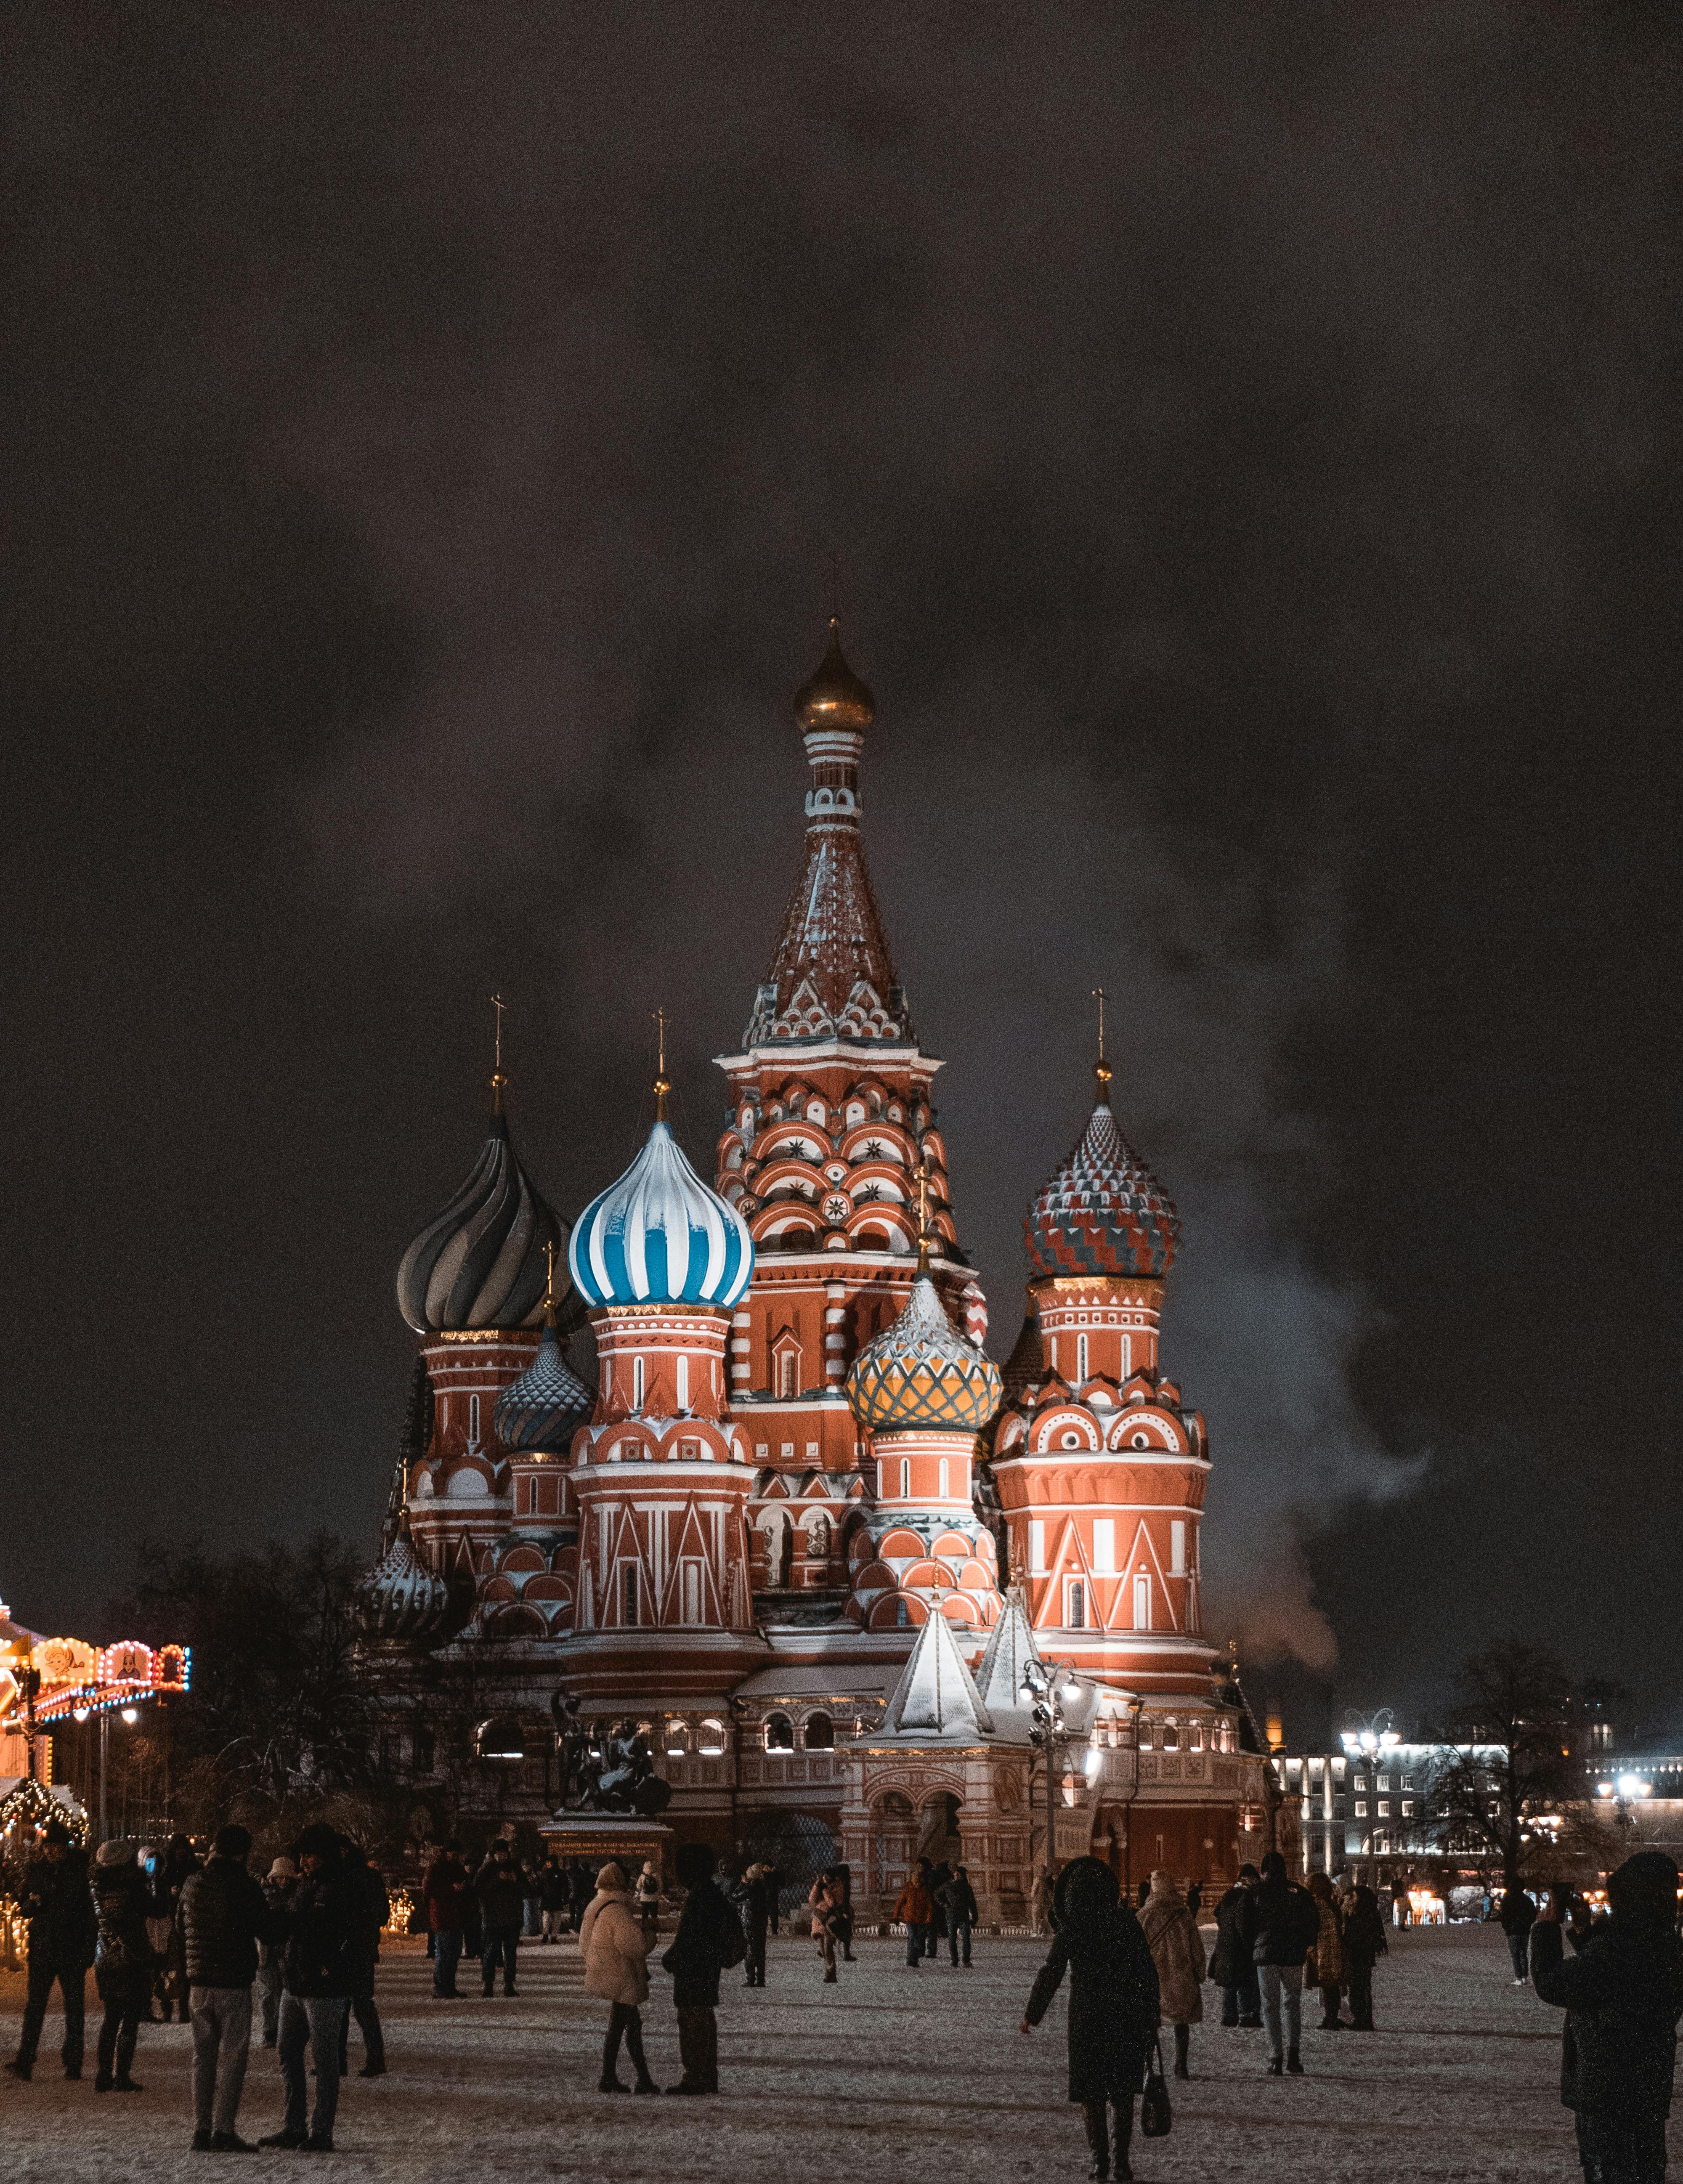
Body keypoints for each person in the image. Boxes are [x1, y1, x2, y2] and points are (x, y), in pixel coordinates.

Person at [1532, 1851, 1683, 2184]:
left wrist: (1545, 1929)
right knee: (1645, 2165)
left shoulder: (1621, 1947)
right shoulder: (1665, 1942)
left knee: (1611, 2168)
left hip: (1607, 2084)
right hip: (1648, 2080)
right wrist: (1586, 1932)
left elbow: (1554, 1983)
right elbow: (1609, 1983)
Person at [1022, 1855, 1160, 2183]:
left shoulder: (1073, 1928)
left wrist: (1032, 2013)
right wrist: (1151, 2015)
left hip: (1087, 2016)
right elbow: (1147, 1971)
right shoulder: (1126, 1922)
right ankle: (1122, 2163)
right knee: (1123, 2090)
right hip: (1125, 2013)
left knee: (1092, 2092)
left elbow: (1052, 1971)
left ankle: (1099, 2162)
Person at [178, 1821, 282, 2154]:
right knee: (234, 2058)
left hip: (199, 1981)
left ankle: (200, 2128)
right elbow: (267, 1930)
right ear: (241, 1853)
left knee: (202, 2057)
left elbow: (180, 1927)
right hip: (233, 1981)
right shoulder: (244, 1885)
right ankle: (224, 2129)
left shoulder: (192, 1883)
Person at [262, 1823, 354, 2154]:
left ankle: (321, 2130)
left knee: (324, 2059)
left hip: (323, 1985)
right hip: (297, 1982)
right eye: (303, 1855)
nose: (304, 1861)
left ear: (324, 1855)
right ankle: (295, 2124)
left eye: (310, 1855)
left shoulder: (337, 1886)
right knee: (288, 2052)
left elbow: (322, 1930)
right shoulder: (307, 1886)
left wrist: (328, 1963)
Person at [7, 1818, 96, 2083]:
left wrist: (87, 1948)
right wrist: (32, 1904)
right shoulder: (38, 1871)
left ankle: (73, 2062)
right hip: (44, 1948)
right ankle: (26, 2059)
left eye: (56, 1847)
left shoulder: (78, 1874)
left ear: (65, 1848)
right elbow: (25, 1907)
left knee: (74, 2009)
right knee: (35, 2007)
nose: (51, 1852)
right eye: (48, 1848)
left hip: (70, 1949)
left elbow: (88, 1915)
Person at [661, 1841, 745, 2093]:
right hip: (705, 1970)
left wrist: (671, 1959)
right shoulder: (712, 1895)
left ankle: (696, 2076)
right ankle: (706, 2075)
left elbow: (689, 1939)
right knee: (702, 2023)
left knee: (693, 2023)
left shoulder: (700, 1898)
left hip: (694, 1971)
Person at [580, 1859, 658, 2094]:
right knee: (627, 2027)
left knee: (626, 2025)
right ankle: (628, 2079)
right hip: (621, 1973)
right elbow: (634, 1947)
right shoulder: (617, 1910)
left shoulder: (596, 1904)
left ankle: (623, 2077)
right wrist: (651, 1936)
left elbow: (584, 1941)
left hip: (606, 1969)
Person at [1241, 1849, 1319, 2076]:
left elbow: (1243, 1923)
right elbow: (1313, 1921)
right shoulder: (1299, 1892)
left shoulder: (1255, 1892)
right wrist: (1306, 1944)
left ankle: (1276, 2057)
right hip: (1293, 1955)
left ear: (1263, 1870)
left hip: (1265, 1955)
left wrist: (1254, 1946)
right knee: (1292, 2003)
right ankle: (1294, 2056)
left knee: (1270, 2005)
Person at [90, 1838, 154, 2094]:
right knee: (129, 2019)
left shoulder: (96, 1887)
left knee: (111, 2017)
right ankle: (122, 2076)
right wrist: (153, 1881)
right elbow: (159, 1909)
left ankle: (103, 2075)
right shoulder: (134, 1888)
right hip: (132, 1956)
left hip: (105, 1956)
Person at [1138, 1868, 1205, 2079]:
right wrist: (1199, 1973)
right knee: (1181, 2021)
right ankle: (1181, 2066)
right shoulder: (1183, 1915)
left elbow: (1134, 1950)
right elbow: (1196, 1947)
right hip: (1180, 1975)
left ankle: (1148, 2067)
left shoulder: (1143, 1916)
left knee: (1149, 2022)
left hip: (1151, 1978)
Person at [337, 1840, 389, 2078]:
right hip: (362, 1948)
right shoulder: (370, 1877)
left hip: (347, 1947)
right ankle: (374, 2057)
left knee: (343, 2006)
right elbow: (382, 1914)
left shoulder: (342, 1878)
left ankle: (337, 2059)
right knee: (361, 2005)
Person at [153, 1834, 200, 2024]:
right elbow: (157, 1891)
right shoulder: (166, 1868)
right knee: (168, 1968)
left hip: (185, 1922)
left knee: (183, 1968)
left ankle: (182, 2009)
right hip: (170, 1922)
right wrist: (170, 1893)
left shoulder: (192, 1867)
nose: (180, 1853)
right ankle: (168, 2008)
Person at [1209, 1864, 1263, 2027]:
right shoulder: (1252, 1891)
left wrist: (1226, 1927)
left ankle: (1229, 2015)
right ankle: (1247, 2016)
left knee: (1230, 1982)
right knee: (1246, 1981)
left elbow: (1217, 1912)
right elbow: (1247, 1920)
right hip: (1241, 1943)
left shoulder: (1234, 1889)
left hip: (1225, 1942)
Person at [473, 1839, 528, 1998]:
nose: (502, 1856)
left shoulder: (515, 1867)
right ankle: (488, 1984)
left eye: (504, 1853)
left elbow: (526, 1888)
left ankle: (509, 1984)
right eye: (498, 1853)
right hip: (493, 1918)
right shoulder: (487, 1868)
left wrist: (515, 1881)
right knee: (491, 1952)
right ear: (493, 1854)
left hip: (512, 1918)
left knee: (510, 1953)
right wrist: (498, 1880)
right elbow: (477, 1889)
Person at [256, 1857, 297, 2047]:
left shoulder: (297, 1894)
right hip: (267, 1951)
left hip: (287, 1950)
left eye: (286, 1878)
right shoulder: (263, 1894)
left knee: (286, 1993)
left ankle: (284, 2030)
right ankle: (270, 2031)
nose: (283, 1881)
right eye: (279, 1877)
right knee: (268, 1993)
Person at [422, 1840, 469, 1998]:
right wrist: (452, 1889)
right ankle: (442, 1986)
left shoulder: (454, 1867)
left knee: (454, 1953)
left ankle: (448, 1985)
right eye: (453, 1853)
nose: (455, 1856)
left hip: (454, 1915)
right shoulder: (436, 1868)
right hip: (443, 1915)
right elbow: (429, 1891)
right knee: (445, 1952)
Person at [1341, 1882, 1388, 2031]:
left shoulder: (1362, 1915)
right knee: (1362, 1989)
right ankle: (1363, 2019)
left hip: (1359, 1956)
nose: (1352, 1900)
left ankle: (1362, 2020)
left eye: (1355, 1897)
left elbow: (1354, 1936)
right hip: (1364, 1957)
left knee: (1358, 1990)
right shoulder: (1370, 1913)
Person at [1305, 1871, 1347, 2030]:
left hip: (1324, 1949)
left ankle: (1331, 2018)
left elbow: (1315, 1928)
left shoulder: (1317, 1905)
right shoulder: (1331, 1904)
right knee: (1331, 1985)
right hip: (1334, 1948)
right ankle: (1331, 2017)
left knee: (1329, 1985)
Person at [734, 1863, 775, 1988]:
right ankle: (761, 1979)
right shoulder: (764, 1888)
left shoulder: (749, 1888)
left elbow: (734, 1896)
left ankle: (751, 1978)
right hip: (760, 1922)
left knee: (750, 1950)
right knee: (761, 1950)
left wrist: (742, 1883)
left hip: (749, 1922)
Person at [895, 1859, 934, 1969]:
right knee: (912, 1938)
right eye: (915, 1881)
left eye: (918, 1881)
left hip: (921, 1920)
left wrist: (929, 1919)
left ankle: (915, 1957)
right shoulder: (908, 1891)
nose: (917, 1883)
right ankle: (911, 1959)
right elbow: (900, 1903)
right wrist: (896, 1916)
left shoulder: (925, 1891)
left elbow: (929, 1907)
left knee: (919, 1939)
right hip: (911, 1918)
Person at [940, 1865, 980, 1969]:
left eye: (959, 1875)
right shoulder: (948, 1885)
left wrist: (975, 1917)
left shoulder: (966, 1887)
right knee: (953, 1939)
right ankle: (954, 1960)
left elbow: (972, 1903)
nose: (957, 1877)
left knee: (966, 1939)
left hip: (963, 1917)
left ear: (963, 1876)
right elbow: (937, 1895)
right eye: (956, 1875)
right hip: (952, 1916)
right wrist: (944, 1904)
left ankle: (966, 1960)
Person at [807, 1870, 844, 1982]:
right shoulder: (821, 1883)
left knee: (828, 1949)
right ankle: (829, 1970)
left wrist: (825, 1890)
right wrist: (817, 1887)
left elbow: (833, 1903)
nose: (827, 1878)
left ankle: (831, 1973)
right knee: (823, 1950)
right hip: (819, 1920)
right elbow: (812, 1900)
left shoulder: (838, 1886)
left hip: (830, 1921)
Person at [1499, 1885, 1538, 1985]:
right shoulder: (1527, 1900)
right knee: (1523, 1953)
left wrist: (1507, 1927)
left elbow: (1504, 1915)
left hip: (1512, 1931)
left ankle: (1519, 1978)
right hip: (1525, 1930)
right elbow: (1533, 1914)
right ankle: (1525, 1977)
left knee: (1515, 1954)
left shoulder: (1508, 1900)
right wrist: (1528, 1924)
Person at [538, 1856, 570, 1943]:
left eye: (549, 1862)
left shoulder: (545, 1873)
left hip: (548, 1899)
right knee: (555, 1919)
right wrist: (565, 1897)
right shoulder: (561, 1873)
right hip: (555, 1898)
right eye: (547, 1862)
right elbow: (565, 1886)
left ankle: (547, 1936)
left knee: (548, 1918)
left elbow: (541, 1886)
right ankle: (552, 1937)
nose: (548, 1864)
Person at [635, 1859, 663, 1941]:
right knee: (654, 1915)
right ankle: (656, 1929)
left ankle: (643, 1928)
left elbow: (638, 1886)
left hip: (644, 1899)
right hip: (654, 1899)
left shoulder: (642, 1876)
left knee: (645, 1915)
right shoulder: (657, 1875)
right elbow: (661, 1886)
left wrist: (641, 1893)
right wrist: (657, 1894)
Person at [1031, 1867, 1055, 1940]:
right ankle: (1043, 1933)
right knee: (1046, 1918)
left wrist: (1032, 1898)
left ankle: (1035, 1933)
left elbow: (1034, 1890)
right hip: (1046, 1902)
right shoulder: (1048, 1880)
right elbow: (1050, 1892)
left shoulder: (1037, 1879)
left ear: (1039, 1872)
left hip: (1037, 1901)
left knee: (1035, 1917)